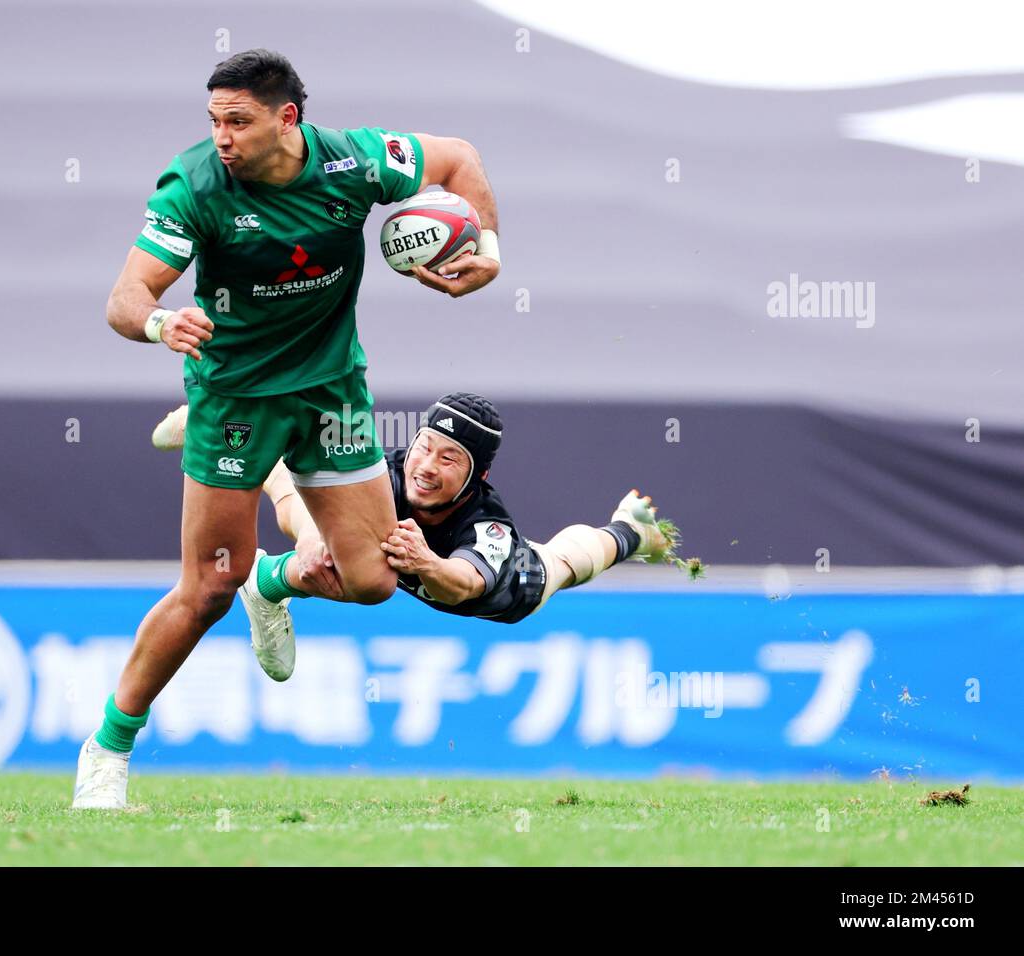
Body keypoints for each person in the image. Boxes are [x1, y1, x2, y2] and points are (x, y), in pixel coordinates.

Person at [72, 49, 501, 809]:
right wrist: (163, 320)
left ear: (287, 119)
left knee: (373, 581)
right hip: (237, 400)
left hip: (333, 392)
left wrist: (489, 252)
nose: (223, 137)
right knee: (208, 587)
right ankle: (108, 748)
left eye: (237, 121)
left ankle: (274, 582)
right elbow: (124, 295)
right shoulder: (196, 183)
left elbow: (461, 159)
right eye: (214, 121)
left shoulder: (358, 163)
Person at [150, 391, 681, 681]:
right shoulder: (387, 469)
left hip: (503, 589)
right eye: (425, 445)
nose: (427, 466)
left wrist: (427, 562)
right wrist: (314, 540)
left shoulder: (488, 525)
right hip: (394, 557)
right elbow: (305, 459)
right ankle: (217, 429)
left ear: (478, 475)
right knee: (315, 525)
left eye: (450, 459)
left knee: (562, 564)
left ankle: (631, 530)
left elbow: (463, 586)